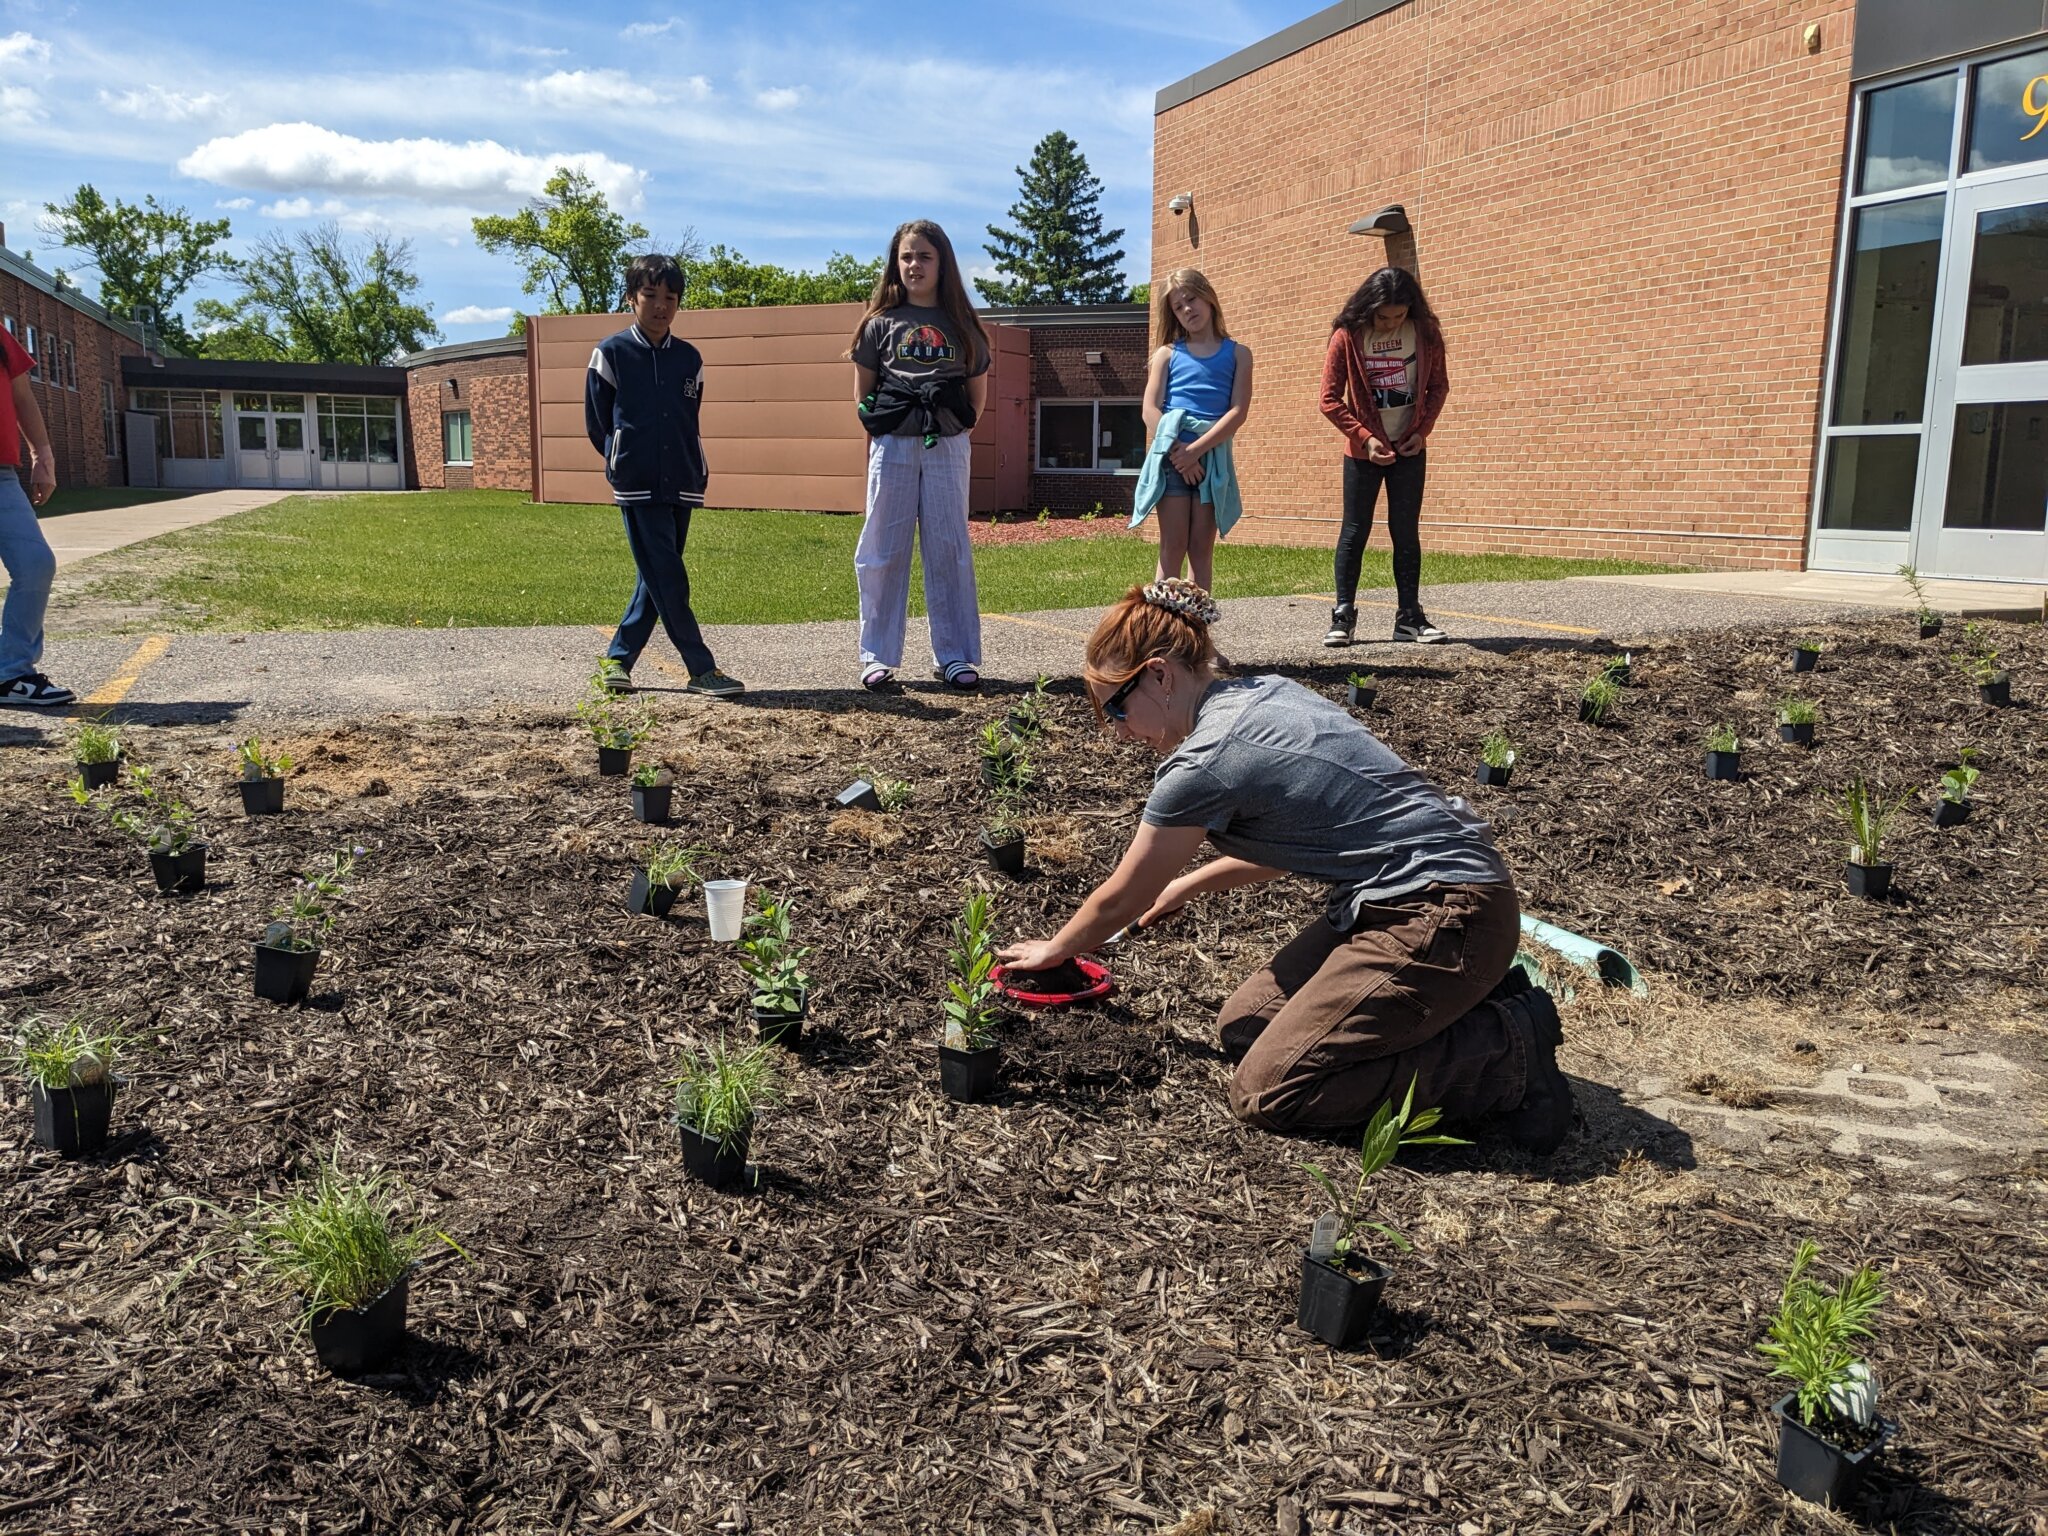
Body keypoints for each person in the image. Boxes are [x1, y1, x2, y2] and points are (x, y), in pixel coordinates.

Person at [998, 578, 1571, 1152]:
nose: (1119, 732)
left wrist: (1057, 949)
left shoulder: (1205, 761)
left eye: (1116, 709)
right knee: (1247, 1026)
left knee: (1270, 1091)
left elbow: (1122, 896)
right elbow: (1293, 845)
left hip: (1446, 914)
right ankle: (1458, 1001)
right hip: (1416, 900)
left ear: (1159, 675)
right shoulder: (1264, 694)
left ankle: (1508, 1049)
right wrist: (1186, 886)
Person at [585, 253, 744, 698]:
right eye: (650, 295)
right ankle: (701, 668)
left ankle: (618, 661)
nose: (660, 306)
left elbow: (689, 416)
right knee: (668, 576)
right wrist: (622, 457)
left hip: (683, 480)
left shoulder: (689, 358)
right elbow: (598, 422)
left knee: (654, 578)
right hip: (637, 482)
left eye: (670, 298)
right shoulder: (611, 353)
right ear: (631, 298)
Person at [848, 220, 990, 693]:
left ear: (942, 263)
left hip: (947, 446)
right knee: (882, 550)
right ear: (895, 263)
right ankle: (876, 655)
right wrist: (893, 429)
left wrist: (950, 428)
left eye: (924, 256)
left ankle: (955, 655)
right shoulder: (878, 324)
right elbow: (863, 398)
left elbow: (976, 401)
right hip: (893, 446)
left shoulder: (963, 325)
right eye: (906, 256)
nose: (914, 265)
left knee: (949, 547)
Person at [1319, 265, 1450, 647]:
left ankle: (1409, 617)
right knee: (1354, 531)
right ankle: (1343, 616)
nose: (1391, 324)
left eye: (1399, 316)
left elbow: (1439, 386)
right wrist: (1364, 438)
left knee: (1406, 532)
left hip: (1409, 448)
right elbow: (1329, 399)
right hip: (1364, 454)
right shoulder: (1347, 336)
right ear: (1368, 309)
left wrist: (1421, 433)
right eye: (1383, 317)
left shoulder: (1425, 333)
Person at [1132, 270, 1252, 598]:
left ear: (1208, 297)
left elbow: (1238, 412)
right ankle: (1162, 624)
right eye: (1178, 306)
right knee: (1172, 547)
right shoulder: (1167, 354)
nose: (1187, 309)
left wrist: (1195, 451)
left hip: (1212, 460)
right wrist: (1179, 454)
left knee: (1200, 551)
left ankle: (1196, 625)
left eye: (1192, 299)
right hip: (1172, 460)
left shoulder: (1239, 354)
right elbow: (1149, 410)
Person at [0, 325, 72, 707]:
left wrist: (41, 455)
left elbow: (22, 395)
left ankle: (11, 675)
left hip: (2, 475)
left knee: (35, 564)